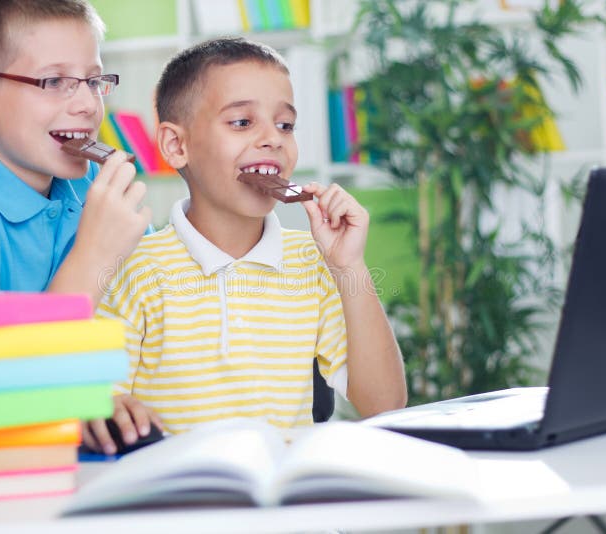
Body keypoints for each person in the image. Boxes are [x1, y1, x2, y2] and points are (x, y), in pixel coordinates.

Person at [85, 36, 408, 454]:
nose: (272, 139)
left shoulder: (314, 264)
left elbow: (384, 405)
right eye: (242, 122)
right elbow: (103, 403)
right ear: (176, 146)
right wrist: (105, 402)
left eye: (285, 125)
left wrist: (350, 267)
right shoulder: (133, 269)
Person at [0, 0, 151, 307]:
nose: (89, 105)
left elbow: (160, 302)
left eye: (93, 82)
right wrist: (94, 254)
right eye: (54, 81)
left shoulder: (94, 183)